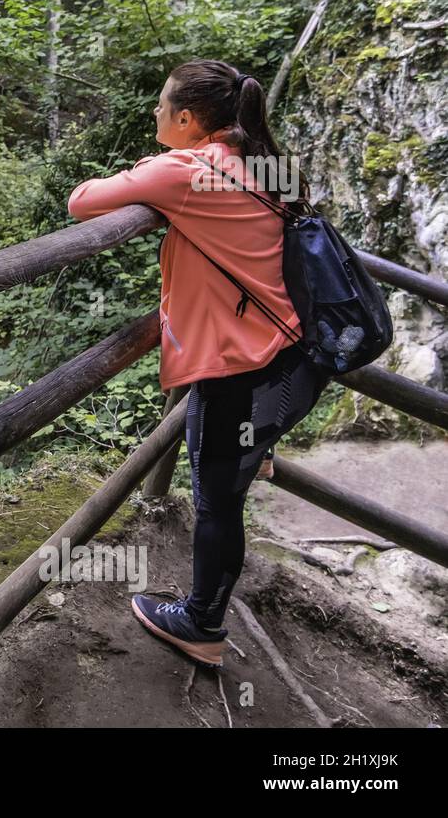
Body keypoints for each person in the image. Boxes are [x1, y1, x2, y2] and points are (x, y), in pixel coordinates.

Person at [66, 59, 330, 667]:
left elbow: (83, 201)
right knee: (230, 476)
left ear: (186, 120)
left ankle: (203, 625)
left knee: (216, 504)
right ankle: (255, 451)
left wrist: (148, 171)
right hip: (295, 363)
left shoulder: (186, 170)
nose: (154, 113)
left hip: (241, 374)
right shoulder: (265, 162)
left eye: (162, 106)